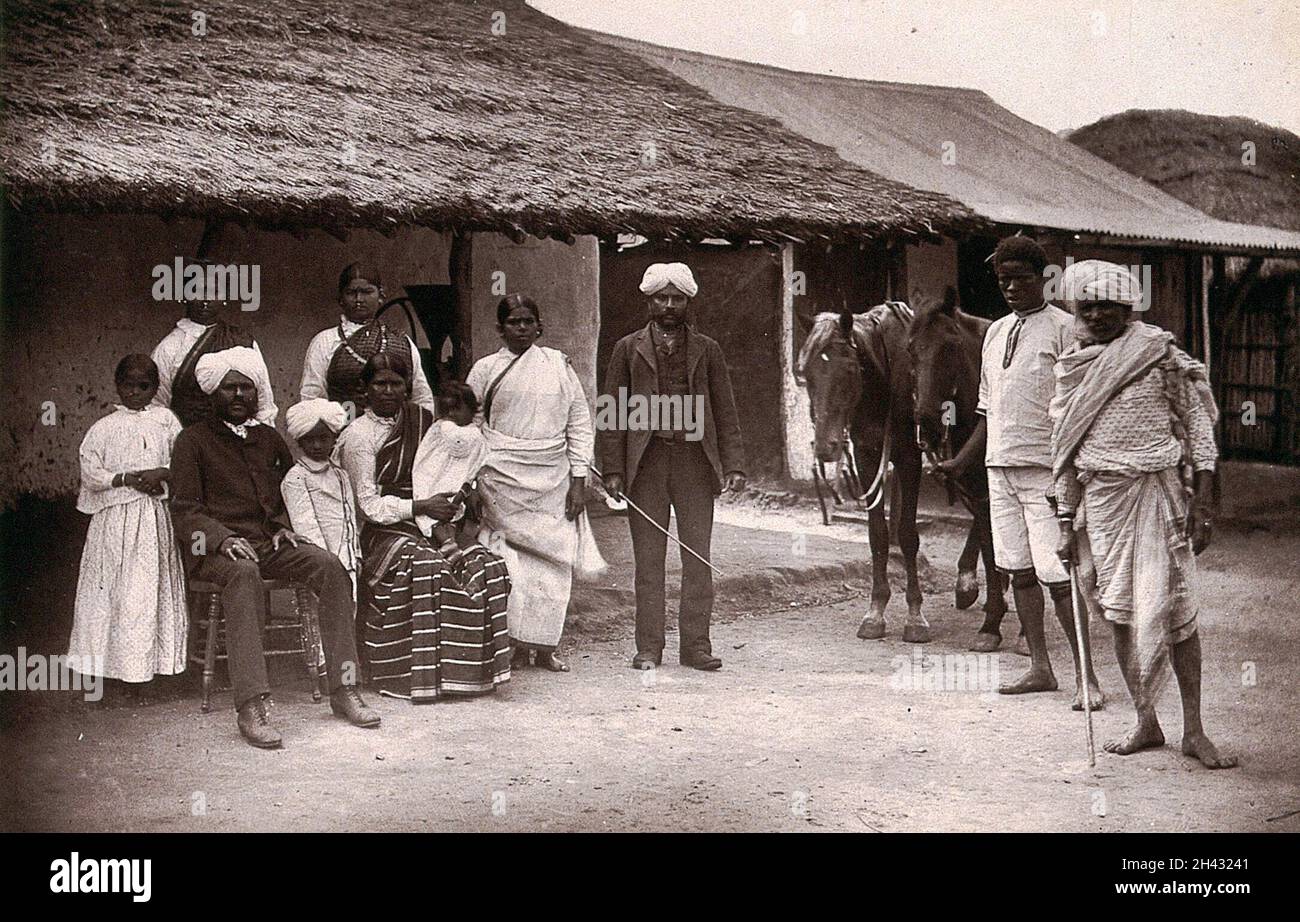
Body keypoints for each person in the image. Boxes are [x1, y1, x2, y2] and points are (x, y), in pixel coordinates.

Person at [1052, 260, 1236, 769]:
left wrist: (1201, 500)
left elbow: (1198, 430)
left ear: (1128, 307)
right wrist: (1066, 521)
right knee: (1119, 613)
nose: (1097, 314)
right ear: (1077, 311)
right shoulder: (1072, 367)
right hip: (1102, 506)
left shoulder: (1159, 356)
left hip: (1158, 496)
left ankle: (1194, 730)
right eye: (1087, 306)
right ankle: (1145, 721)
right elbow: (1065, 450)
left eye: (1108, 304)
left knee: (1176, 613)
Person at [170, 346, 379, 748]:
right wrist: (223, 538)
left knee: (329, 566)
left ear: (256, 394)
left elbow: (289, 487)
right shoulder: (192, 441)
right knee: (243, 574)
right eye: (229, 388)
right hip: (215, 551)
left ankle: (345, 689)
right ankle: (252, 705)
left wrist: (284, 526)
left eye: (245, 389)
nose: (237, 396)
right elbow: (185, 510)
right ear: (214, 393)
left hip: (267, 543)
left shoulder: (268, 438)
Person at [964, 236, 1103, 708]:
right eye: (1002, 279)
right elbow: (986, 408)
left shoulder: (1067, 329)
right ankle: (1040, 667)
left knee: (1058, 575)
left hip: (1047, 470)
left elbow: (1083, 406)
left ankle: (1088, 679)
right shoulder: (995, 332)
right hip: (998, 468)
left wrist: (1074, 472)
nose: (1010, 287)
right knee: (1017, 572)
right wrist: (964, 459)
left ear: (1043, 278)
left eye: (1020, 277)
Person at [335, 352, 512, 702]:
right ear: (364, 390)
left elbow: (451, 464)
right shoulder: (358, 436)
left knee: (486, 564)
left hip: (433, 521)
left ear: (407, 387)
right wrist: (419, 506)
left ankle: (465, 674)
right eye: (379, 384)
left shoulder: (424, 420)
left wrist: (470, 490)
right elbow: (368, 507)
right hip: (384, 529)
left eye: (396, 383)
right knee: (426, 565)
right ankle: (412, 674)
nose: (388, 391)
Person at [597, 263, 746, 672]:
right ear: (649, 302)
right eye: (661, 298)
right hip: (646, 465)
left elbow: (725, 409)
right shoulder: (627, 350)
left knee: (698, 558)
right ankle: (649, 647)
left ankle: (696, 646)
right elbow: (611, 412)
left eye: (677, 299)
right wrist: (613, 469)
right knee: (649, 562)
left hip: (694, 464)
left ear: (687, 302)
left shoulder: (707, 350)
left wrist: (733, 463)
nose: (668, 306)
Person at [467, 294, 598, 674]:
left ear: (539, 326)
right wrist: (472, 481)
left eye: (528, 322)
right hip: (500, 476)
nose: (521, 328)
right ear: (499, 328)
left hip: (553, 477)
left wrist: (578, 479)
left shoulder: (558, 366)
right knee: (509, 562)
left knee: (553, 563)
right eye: (513, 322)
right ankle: (507, 644)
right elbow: (470, 427)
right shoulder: (485, 369)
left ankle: (545, 647)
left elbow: (578, 421)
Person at [68, 354, 187, 694]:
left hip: (152, 520)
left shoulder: (166, 421)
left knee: (147, 593)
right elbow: (90, 472)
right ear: (116, 386)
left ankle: (151, 673)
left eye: (144, 386)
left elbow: (180, 459)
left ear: (156, 387)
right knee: (111, 594)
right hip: (114, 524)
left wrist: (161, 474)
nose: (135, 392)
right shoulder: (104, 428)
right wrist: (123, 479)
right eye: (128, 385)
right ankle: (110, 673)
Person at [151, 258, 277, 428]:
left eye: (214, 292)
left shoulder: (243, 340)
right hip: (190, 442)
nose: (206, 300)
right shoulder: (170, 348)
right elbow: (158, 407)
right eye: (196, 291)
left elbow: (264, 402)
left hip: (239, 442)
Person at [299, 262, 435, 414]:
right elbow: (312, 399)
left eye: (367, 292)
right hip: (344, 429)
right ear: (340, 298)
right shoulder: (325, 341)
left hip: (398, 432)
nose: (359, 299)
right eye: (351, 293)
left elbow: (422, 397)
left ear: (381, 296)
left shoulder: (401, 341)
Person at [280, 398, 361, 595]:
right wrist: (330, 561)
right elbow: (306, 526)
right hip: (322, 561)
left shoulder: (340, 474)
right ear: (299, 441)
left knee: (351, 607)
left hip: (346, 555)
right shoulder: (296, 477)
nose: (317, 445)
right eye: (309, 439)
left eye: (323, 438)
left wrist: (355, 554)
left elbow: (350, 517)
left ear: (334, 439)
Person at [411, 383, 488, 566]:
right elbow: (457, 444)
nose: (451, 414)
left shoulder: (474, 432)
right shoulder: (444, 427)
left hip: (458, 481)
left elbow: (475, 464)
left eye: (457, 409)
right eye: (447, 410)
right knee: (435, 512)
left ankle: (450, 543)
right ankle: (447, 543)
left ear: (472, 409)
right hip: (433, 478)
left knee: (452, 515)